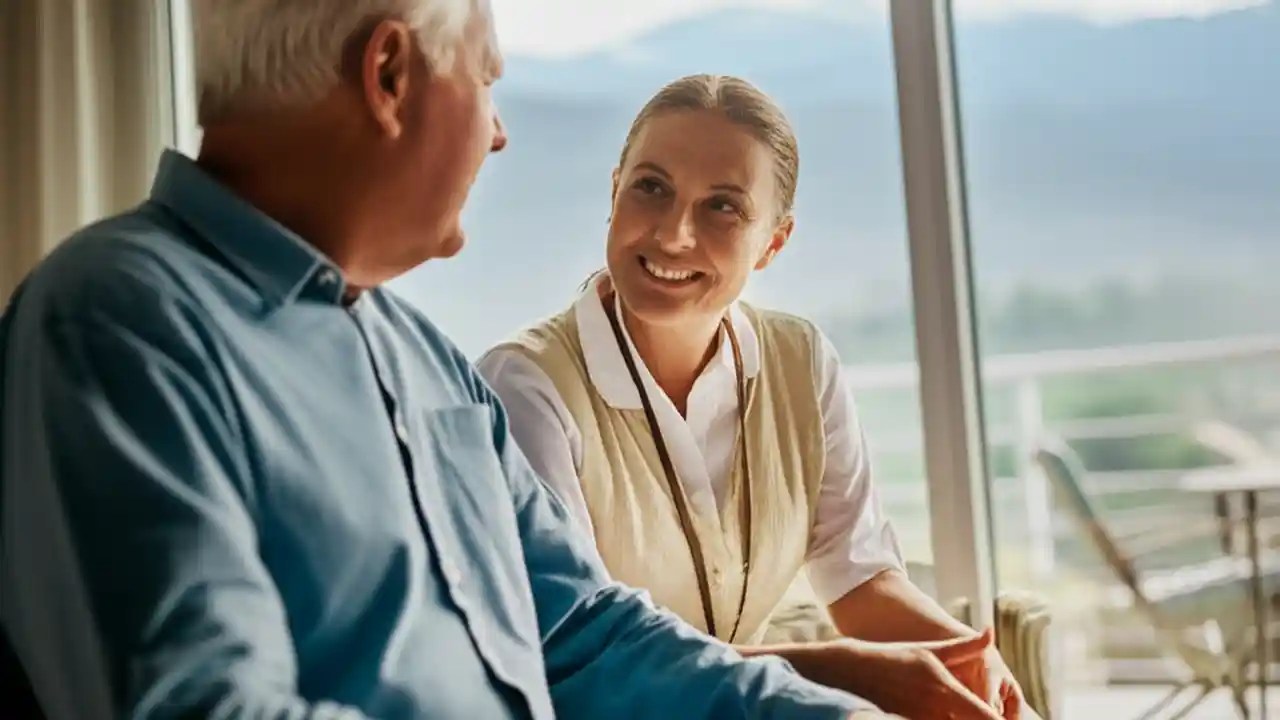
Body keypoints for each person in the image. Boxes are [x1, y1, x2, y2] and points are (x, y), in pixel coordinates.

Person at [0, 2, 892, 718]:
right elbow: (206, 703)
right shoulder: (119, 323)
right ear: (389, 75)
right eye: (487, 78)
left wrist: (826, 713)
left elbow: (580, 631)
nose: (498, 133)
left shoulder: (425, 360)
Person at [479, 74, 1028, 720]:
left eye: (722, 207)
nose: (674, 234)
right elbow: (586, 658)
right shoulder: (525, 388)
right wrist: (842, 672)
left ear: (774, 241)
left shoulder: (802, 364)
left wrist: (962, 655)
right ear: (613, 191)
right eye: (651, 188)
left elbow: (860, 579)